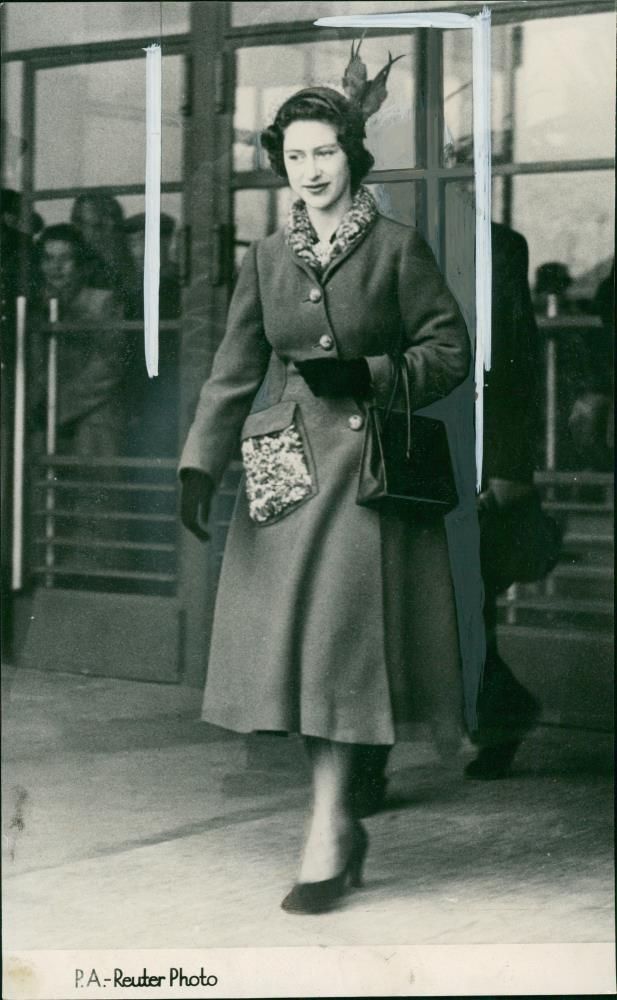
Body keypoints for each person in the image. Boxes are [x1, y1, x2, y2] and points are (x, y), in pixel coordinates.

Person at [179, 86, 480, 914]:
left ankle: (324, 828)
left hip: (366, 472)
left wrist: (374, 377)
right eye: (296, 156)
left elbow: (449, 350)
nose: (310, 171)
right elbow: (235, 367)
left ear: (352, 154)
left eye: (324, 152)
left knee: (341, 651)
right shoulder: (268, 256)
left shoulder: (394, 247)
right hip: (285, 473)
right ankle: (338, 823)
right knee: (303, 659)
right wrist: (200, 461)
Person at [350, 222, 548, 812]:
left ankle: (495, 711)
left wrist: (510, 469)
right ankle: (367, 767)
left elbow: (511, 360)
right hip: (380, 439)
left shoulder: (492, 245)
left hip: (459, 451)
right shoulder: (367, 236)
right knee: (382, 604)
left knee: (446, 608)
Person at [30, 224, 127, 566]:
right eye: (48, 259)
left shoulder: (103, 303)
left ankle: (95, 579)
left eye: (65, 259)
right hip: (43, 415)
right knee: (43, 500)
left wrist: (55, 408)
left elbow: (109, 366)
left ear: (82, 265)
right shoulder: (33, 304)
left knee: (94, 503)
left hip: (91, 417)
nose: (55, 267)